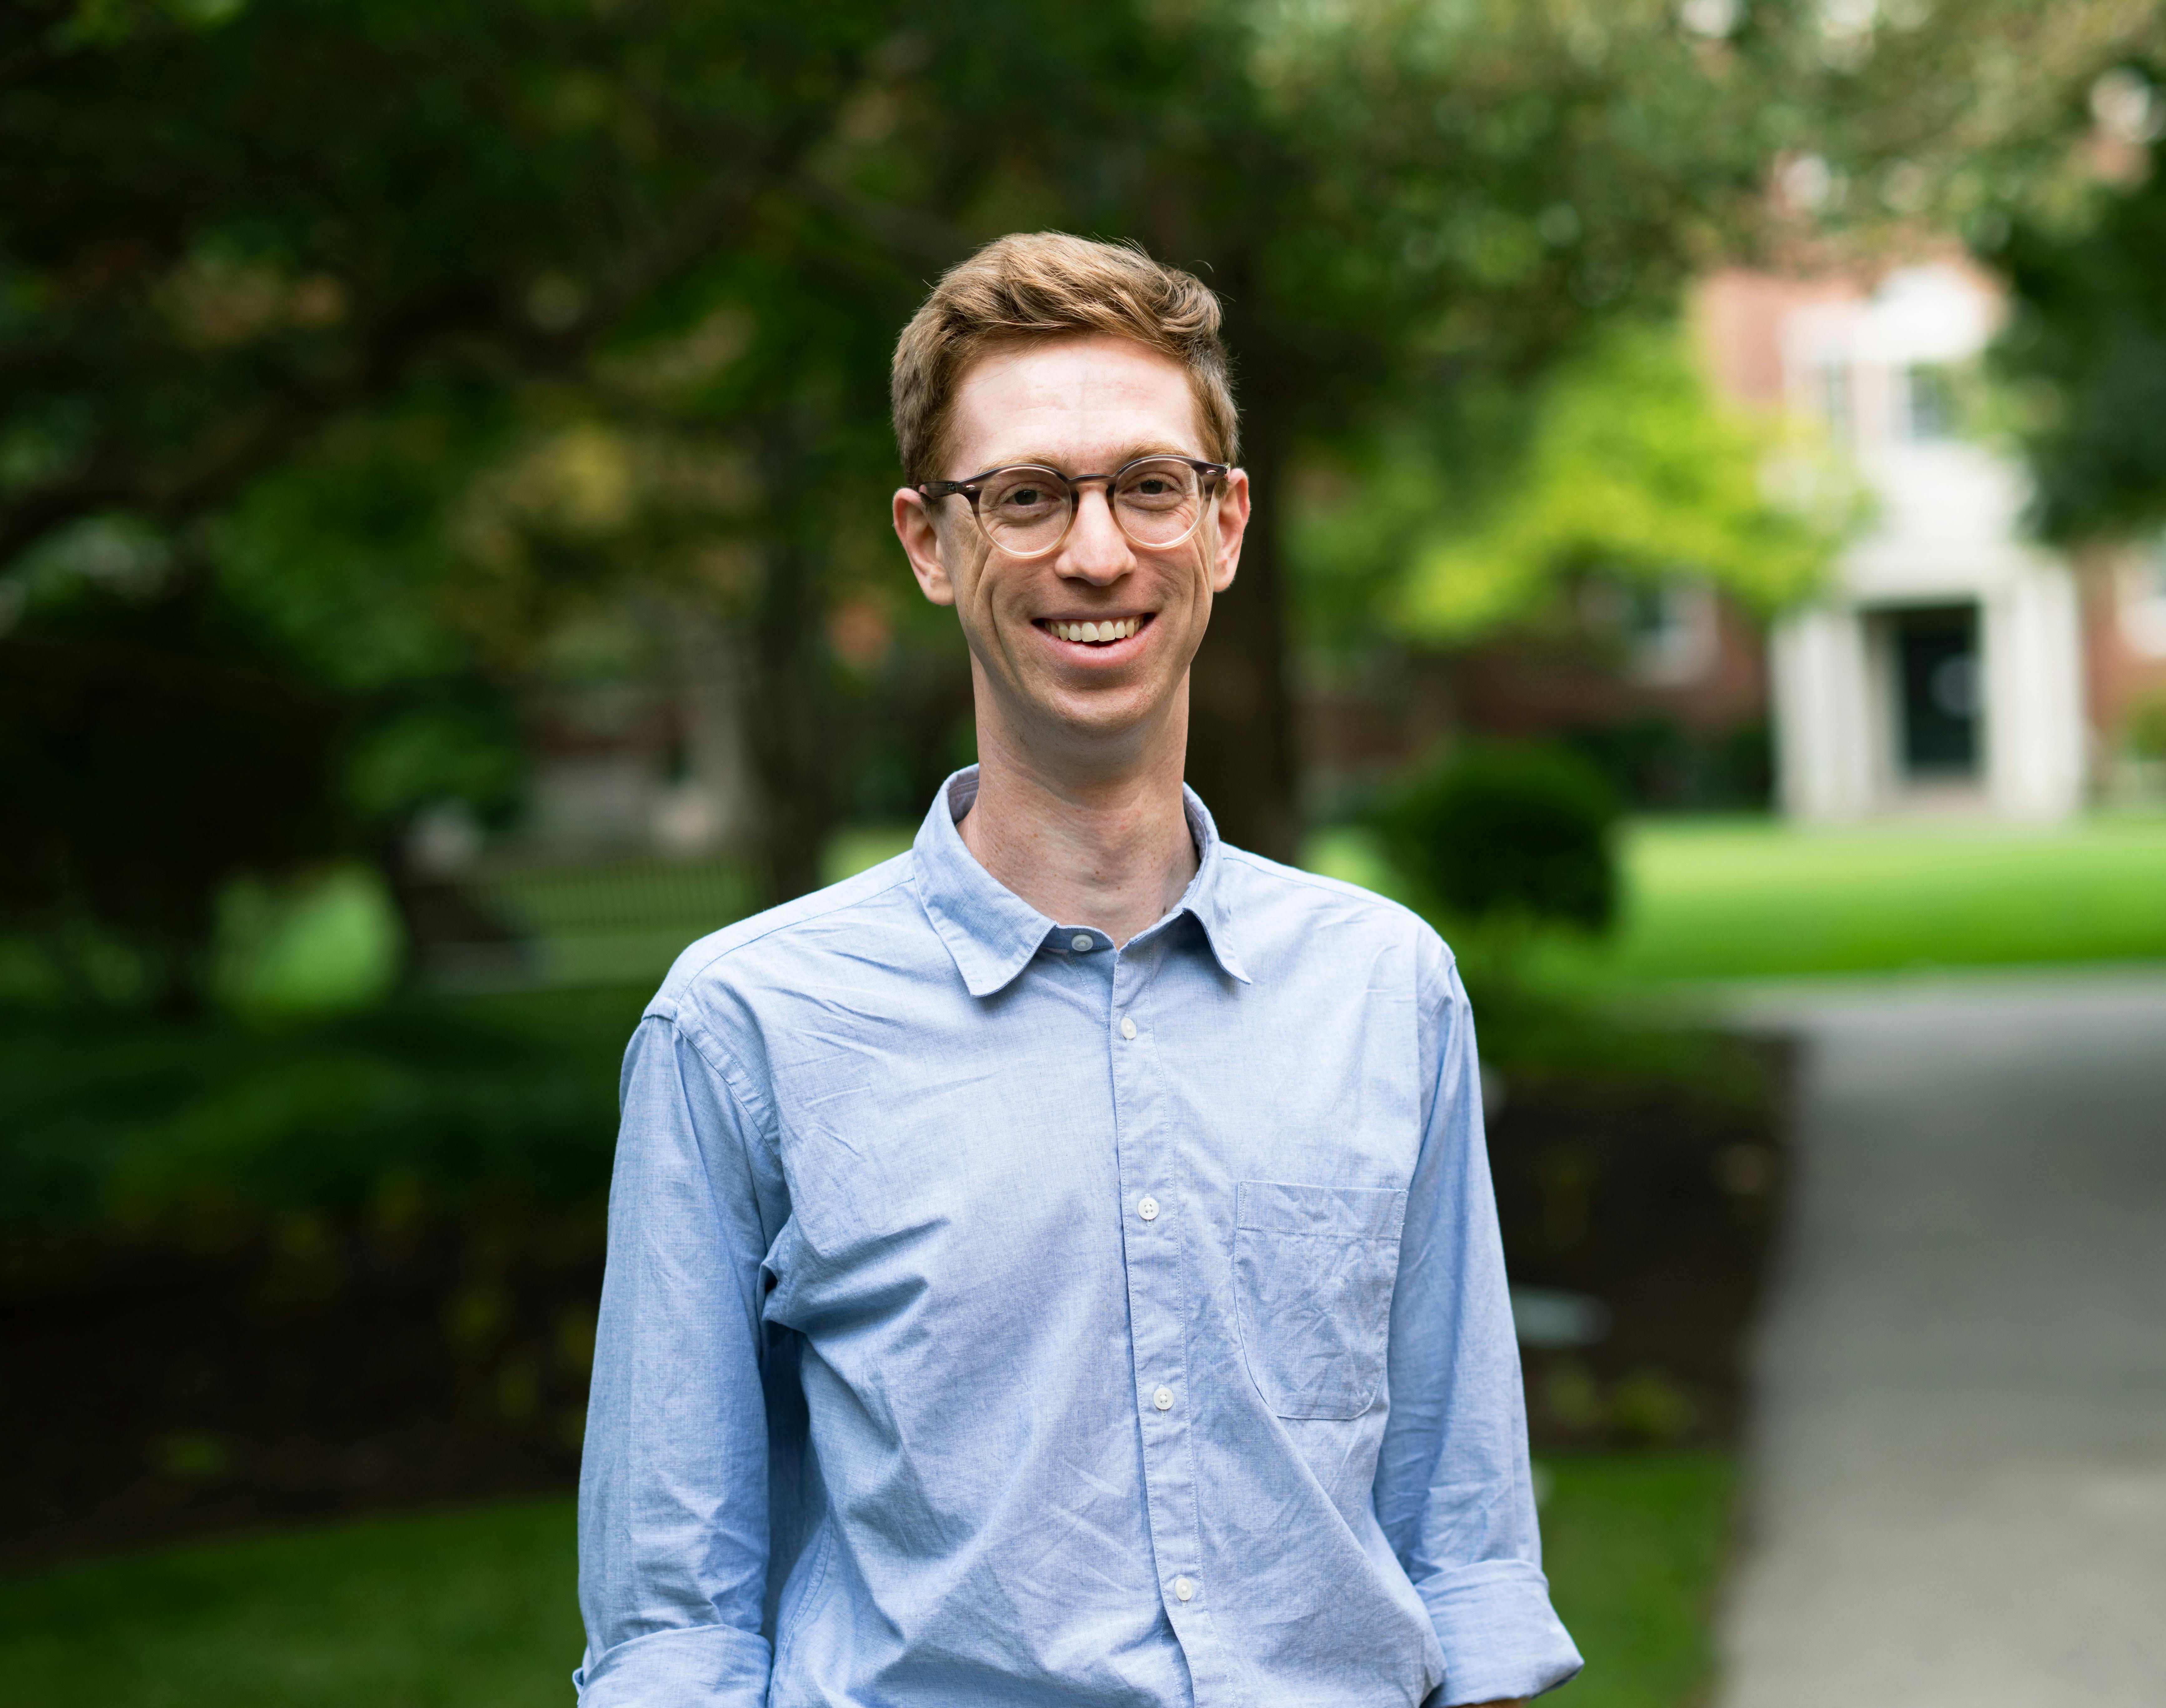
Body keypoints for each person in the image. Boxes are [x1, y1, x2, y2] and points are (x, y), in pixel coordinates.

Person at [574, 231, 1579, 1708]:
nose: (1096, 553)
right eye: (1027, 496)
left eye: (1148, 486)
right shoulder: (745, 1029)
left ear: (1224, 526)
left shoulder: (1385, 991)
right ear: (930, 543)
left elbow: (1465, 1551)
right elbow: (675, 1629)